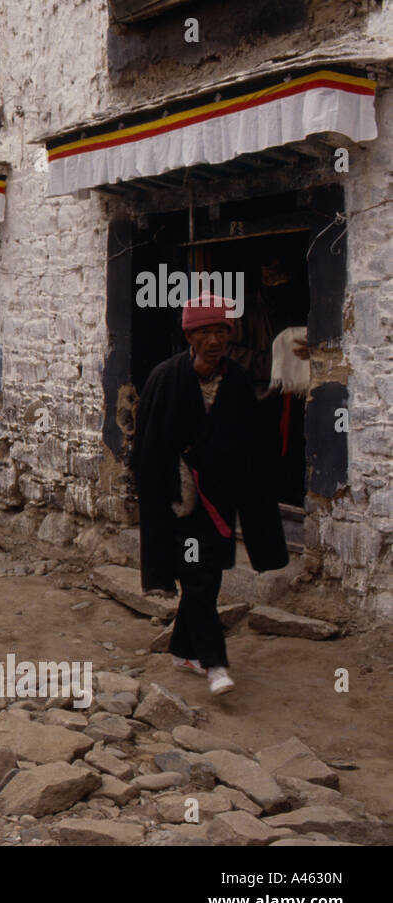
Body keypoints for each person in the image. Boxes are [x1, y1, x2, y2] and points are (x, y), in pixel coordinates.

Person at [133, 294, 289, 696]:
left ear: (228, 334)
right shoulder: (164, 378)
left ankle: (183, 648)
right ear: (190, 335)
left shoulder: (236, 381)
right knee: (198, 577)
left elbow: (252, 447)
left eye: (220, 330)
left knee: (211, 578)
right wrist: (154, 501)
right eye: (204, 331)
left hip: (219, 504)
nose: (213, 339)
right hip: (180, 505)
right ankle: (215, 663)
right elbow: (147, 448)